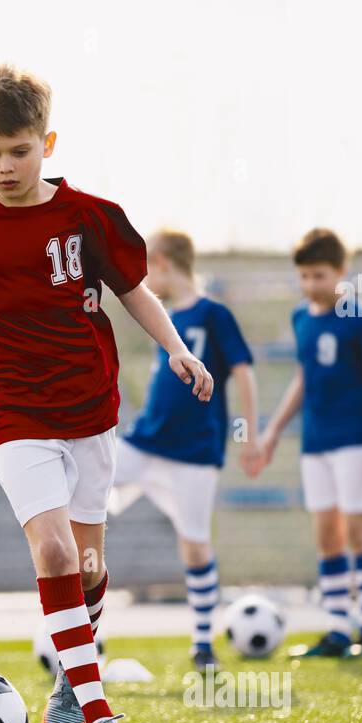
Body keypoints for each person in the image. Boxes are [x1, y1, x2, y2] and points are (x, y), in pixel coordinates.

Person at [0, 66, 213, 723]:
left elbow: (135, 291)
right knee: (54, 556)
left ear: (47, 142)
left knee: (88, 567)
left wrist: (176, 349)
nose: (5, 166)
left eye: (19, 151)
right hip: (16, 412)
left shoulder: (90, 217)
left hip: (90, 410)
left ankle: (70, 670)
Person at [109, 231, 259, 670]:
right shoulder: (167, 317)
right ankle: (81, 630)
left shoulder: (214, 314)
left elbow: (244, 373)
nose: (144, 278)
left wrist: (247, 434)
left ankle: (202, 642)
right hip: (147, 441)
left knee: (194, 545)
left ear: (162, 262)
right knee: (84, 483)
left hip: (195, 451)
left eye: (146, 267)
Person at [251, 228, 362, 658]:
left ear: (341, 271)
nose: (311, 284)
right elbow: (303, 379)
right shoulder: (301, 318)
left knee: (357, 529)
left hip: (356, 440)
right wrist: (273, 430)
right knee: (327, 535)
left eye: (319, 275)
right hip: (316, 442)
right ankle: (336, 629)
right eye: (305, 276)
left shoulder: (359, 318)